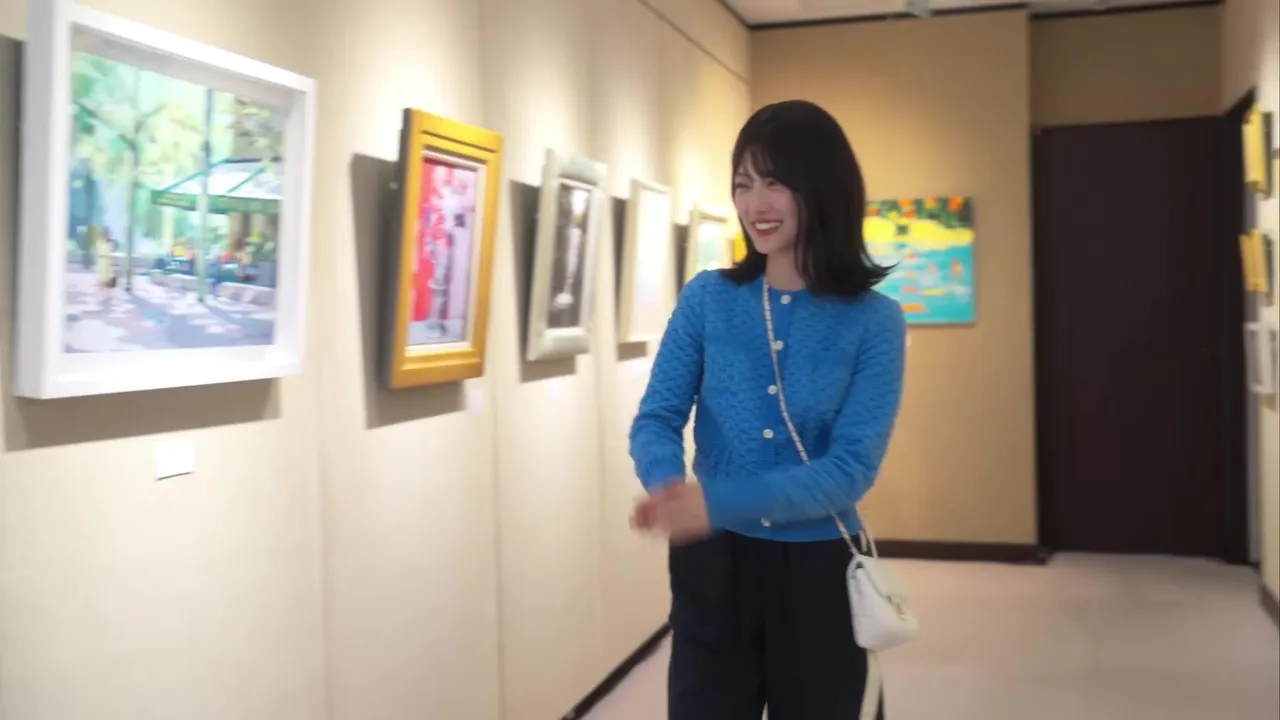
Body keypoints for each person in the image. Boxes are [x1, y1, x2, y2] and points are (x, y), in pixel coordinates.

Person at [628, 99, 907, 720]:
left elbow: (850, 471)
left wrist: (716, 501)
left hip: (820, 570)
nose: (755, 203)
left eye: (774, 182)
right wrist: (668, 485)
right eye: (743, 184)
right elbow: (657, 416)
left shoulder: (875, 321)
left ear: (822, 187)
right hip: (714, 564)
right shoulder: (707, 299)